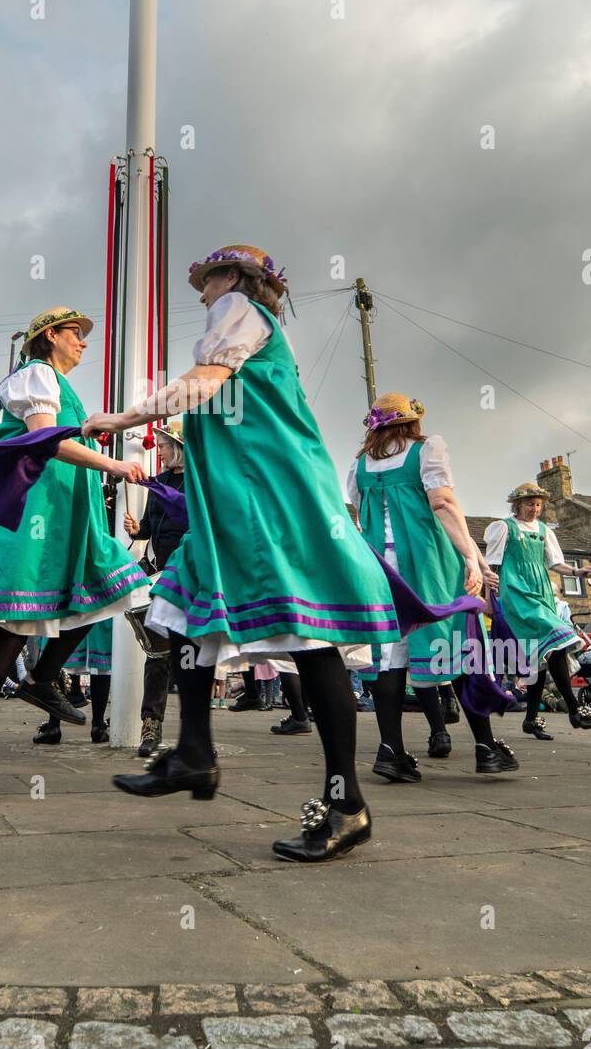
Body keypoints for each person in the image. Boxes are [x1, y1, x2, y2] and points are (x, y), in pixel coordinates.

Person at [84, 243, 461, 864]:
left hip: (273, 499)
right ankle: (195, 753)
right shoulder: (249, 322)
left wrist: (121, 416)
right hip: (242, 502)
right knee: (182, 613)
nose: (202, 293)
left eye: (207, 281)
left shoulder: (236, 310)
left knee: (309, 640)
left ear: (233, 279)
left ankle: (346, 804)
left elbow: (203, 384)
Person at [0, 307, 149, 798]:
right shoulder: (35, 374)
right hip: (32, 517)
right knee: (13, 628)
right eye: (77, 334)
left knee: (112, 590)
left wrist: (92, 438)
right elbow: (44, 440)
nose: (84, 342)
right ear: (49, 336)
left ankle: (40, 677)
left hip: (62, 514)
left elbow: (60, 435)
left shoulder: (58, 385)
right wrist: (113, 464)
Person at [346, 393, 517, 779]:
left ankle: (391, 751)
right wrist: (472, 558)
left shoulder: (358, 465)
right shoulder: (426, 449)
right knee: (456, 646)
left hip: (380, 570)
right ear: (412, 422)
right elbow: (442, 504)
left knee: (389, 657)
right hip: (428, 565)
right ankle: (486, 748)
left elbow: (360, 511)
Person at [484, 483, 591, 737]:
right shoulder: (504, 527)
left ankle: (531, 719)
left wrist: (578, 571)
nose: (534, 509)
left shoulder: (545, 530)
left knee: (540, 658)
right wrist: (489, 598)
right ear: (517, 505)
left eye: (537, 504)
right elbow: (491, 565)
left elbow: (556, 563)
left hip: (543, 592)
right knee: (560, 638)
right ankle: (574, 709)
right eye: (529, 504)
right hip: (517, 592)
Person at [123, 420, 187, 756]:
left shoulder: (198, 480)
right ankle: (152, 726)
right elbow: (149, 527)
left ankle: (194, 733)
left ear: (177, 447)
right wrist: (137, 530)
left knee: (191, 655)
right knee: (158, 652)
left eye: (162, 446)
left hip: (190, 575)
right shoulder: (158, 482)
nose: (158, 451)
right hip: (162, 573)